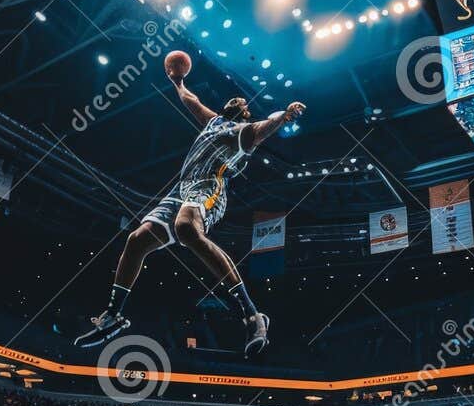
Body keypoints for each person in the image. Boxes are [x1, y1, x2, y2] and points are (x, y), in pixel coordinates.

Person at [75, 58, 306, 357]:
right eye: (233, 99)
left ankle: (252, 314)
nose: (236, 100)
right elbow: (191, 101)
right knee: (137, 240)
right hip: (180, 189)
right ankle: (113, 315)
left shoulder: (244, 132)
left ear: (245, 112)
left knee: (185, 228)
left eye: (241, 101)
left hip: (210, 187)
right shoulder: (213, 121)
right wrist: (178, 82)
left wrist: (284, 116)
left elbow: (266, 125)